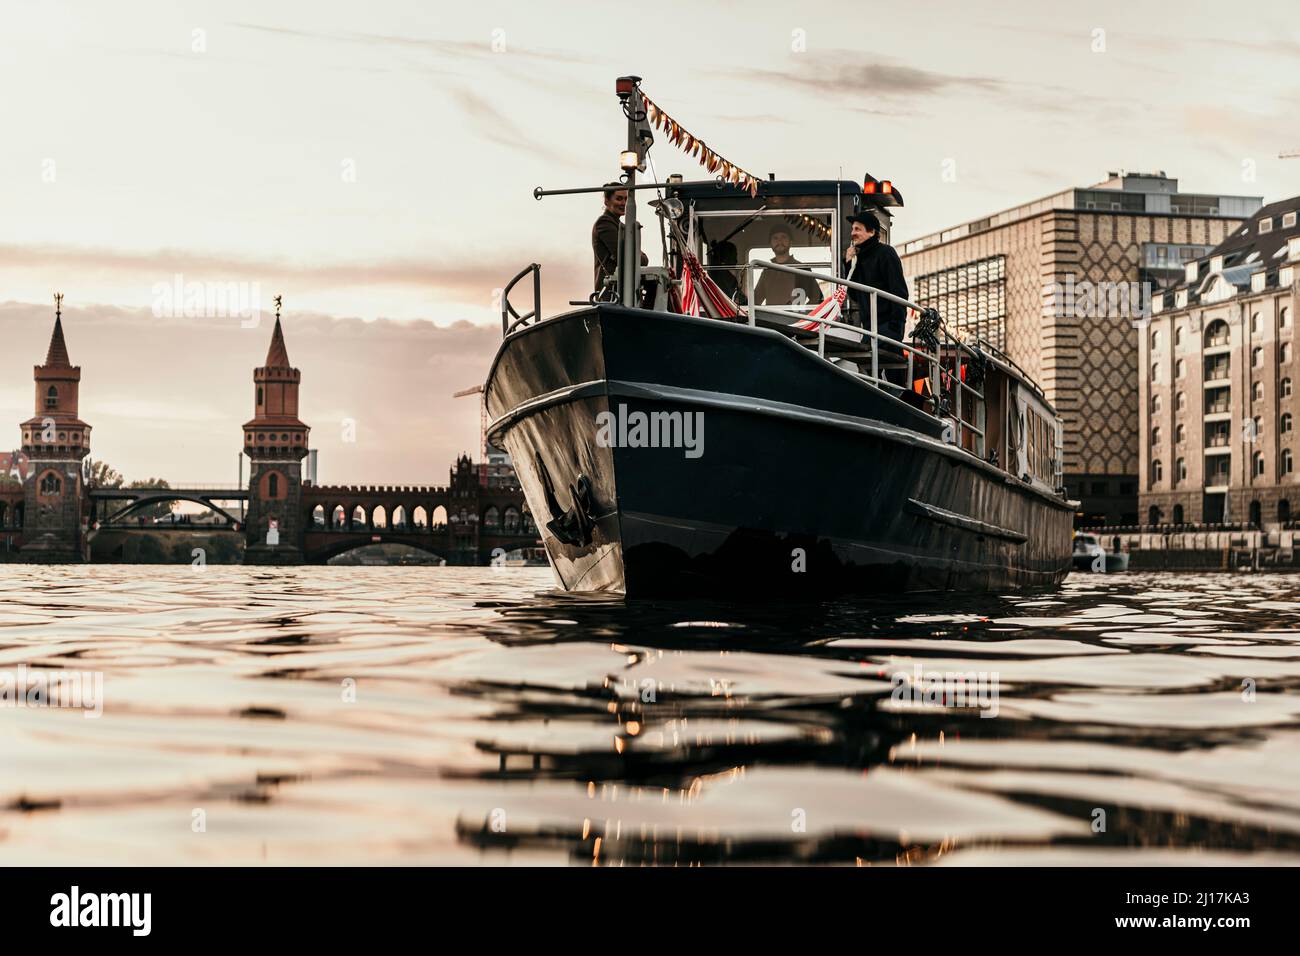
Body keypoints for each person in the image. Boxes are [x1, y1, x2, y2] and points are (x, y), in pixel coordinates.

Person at [844, 211, 910, 382]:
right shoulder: (859, 259)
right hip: (870, 326)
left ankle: (898, 401)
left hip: (888, 324)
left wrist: (896, 325)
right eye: (852, 229)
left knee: (876, 364)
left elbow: (899, 290)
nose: (853, 233)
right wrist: (848, 264)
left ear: (871, 232)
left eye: (858, 229)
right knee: (876, 370)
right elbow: (854, 294)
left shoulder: (886, 253)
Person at [592, 183, 649, 295]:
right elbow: (628, 258)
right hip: (611, 293)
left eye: (626, 199)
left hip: (621, 291)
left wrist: (638, 256)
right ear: (607, 201)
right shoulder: (604, 223)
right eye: (619, 199)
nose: (623, 203)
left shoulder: (620, 226)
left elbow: (639, 260)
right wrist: (639, 255)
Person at [752, 225, 823, 307]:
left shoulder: (802, 269)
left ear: (791, 241)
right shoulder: (767, 271)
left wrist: (804, 315)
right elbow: (755, 301)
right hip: (770, 318)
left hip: (795, 319)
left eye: (784, 237)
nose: (779, 241)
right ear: (770, 243)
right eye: (775, 238)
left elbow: (817, 298)